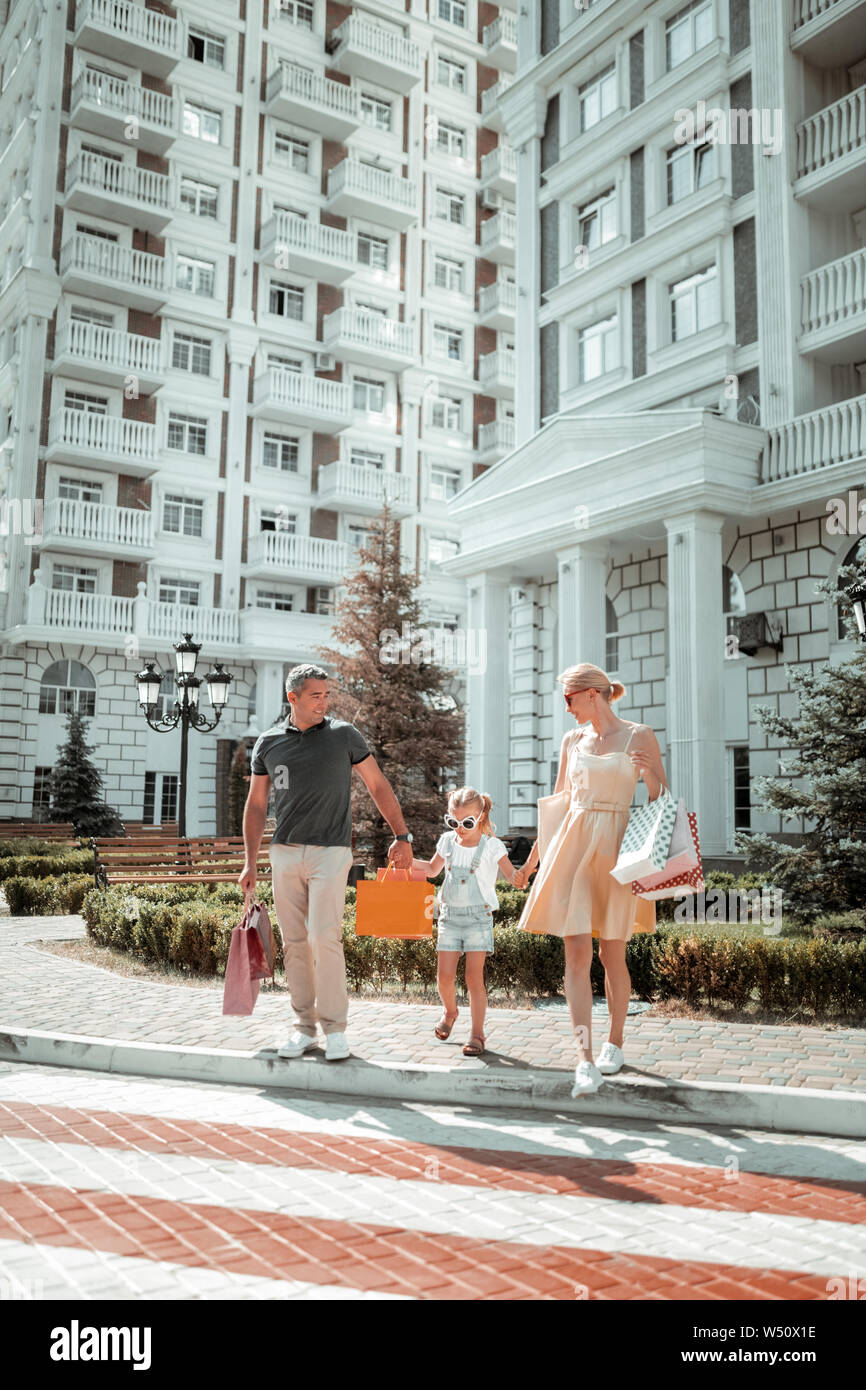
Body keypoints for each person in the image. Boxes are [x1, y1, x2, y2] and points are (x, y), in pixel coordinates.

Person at [239, 664, 413, 1062]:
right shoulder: (268, 744)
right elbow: (256, 805)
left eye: (326, 695)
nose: (324, 701)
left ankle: (336, 1029)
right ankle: (304, 1029)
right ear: (293, 698)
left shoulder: (343, 736)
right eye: (315, 695)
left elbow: (377, 784)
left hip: (331, 852)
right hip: (284, 853)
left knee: (323, 935)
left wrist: (401, 835)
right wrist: (250, 863)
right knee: (295, 943)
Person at [513, 663, 667, 1097]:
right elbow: (559, 808)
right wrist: (531, 865)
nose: (566, 708)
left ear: (593, 694)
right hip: (574, 849)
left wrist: (650, 774)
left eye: (569, 699)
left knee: (611, 955)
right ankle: (584, 1060)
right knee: (576, 954)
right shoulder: (571, 741)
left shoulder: (640, 735)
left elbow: (660, 799)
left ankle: (615, 1042)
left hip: (618, 850)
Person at [412, 787, 522, 1057]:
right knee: (444, 978)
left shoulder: (492, 846)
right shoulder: (447, 842)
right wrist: (407, 861)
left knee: (474, 978)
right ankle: (450, 1012)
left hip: (478, 919)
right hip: (449, 917)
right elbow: (431, 869)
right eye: (453, 821)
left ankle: (477, 1034)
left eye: (467, 822)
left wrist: (520, 877)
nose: (460, 828)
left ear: (480, 815)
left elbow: (512, 876)